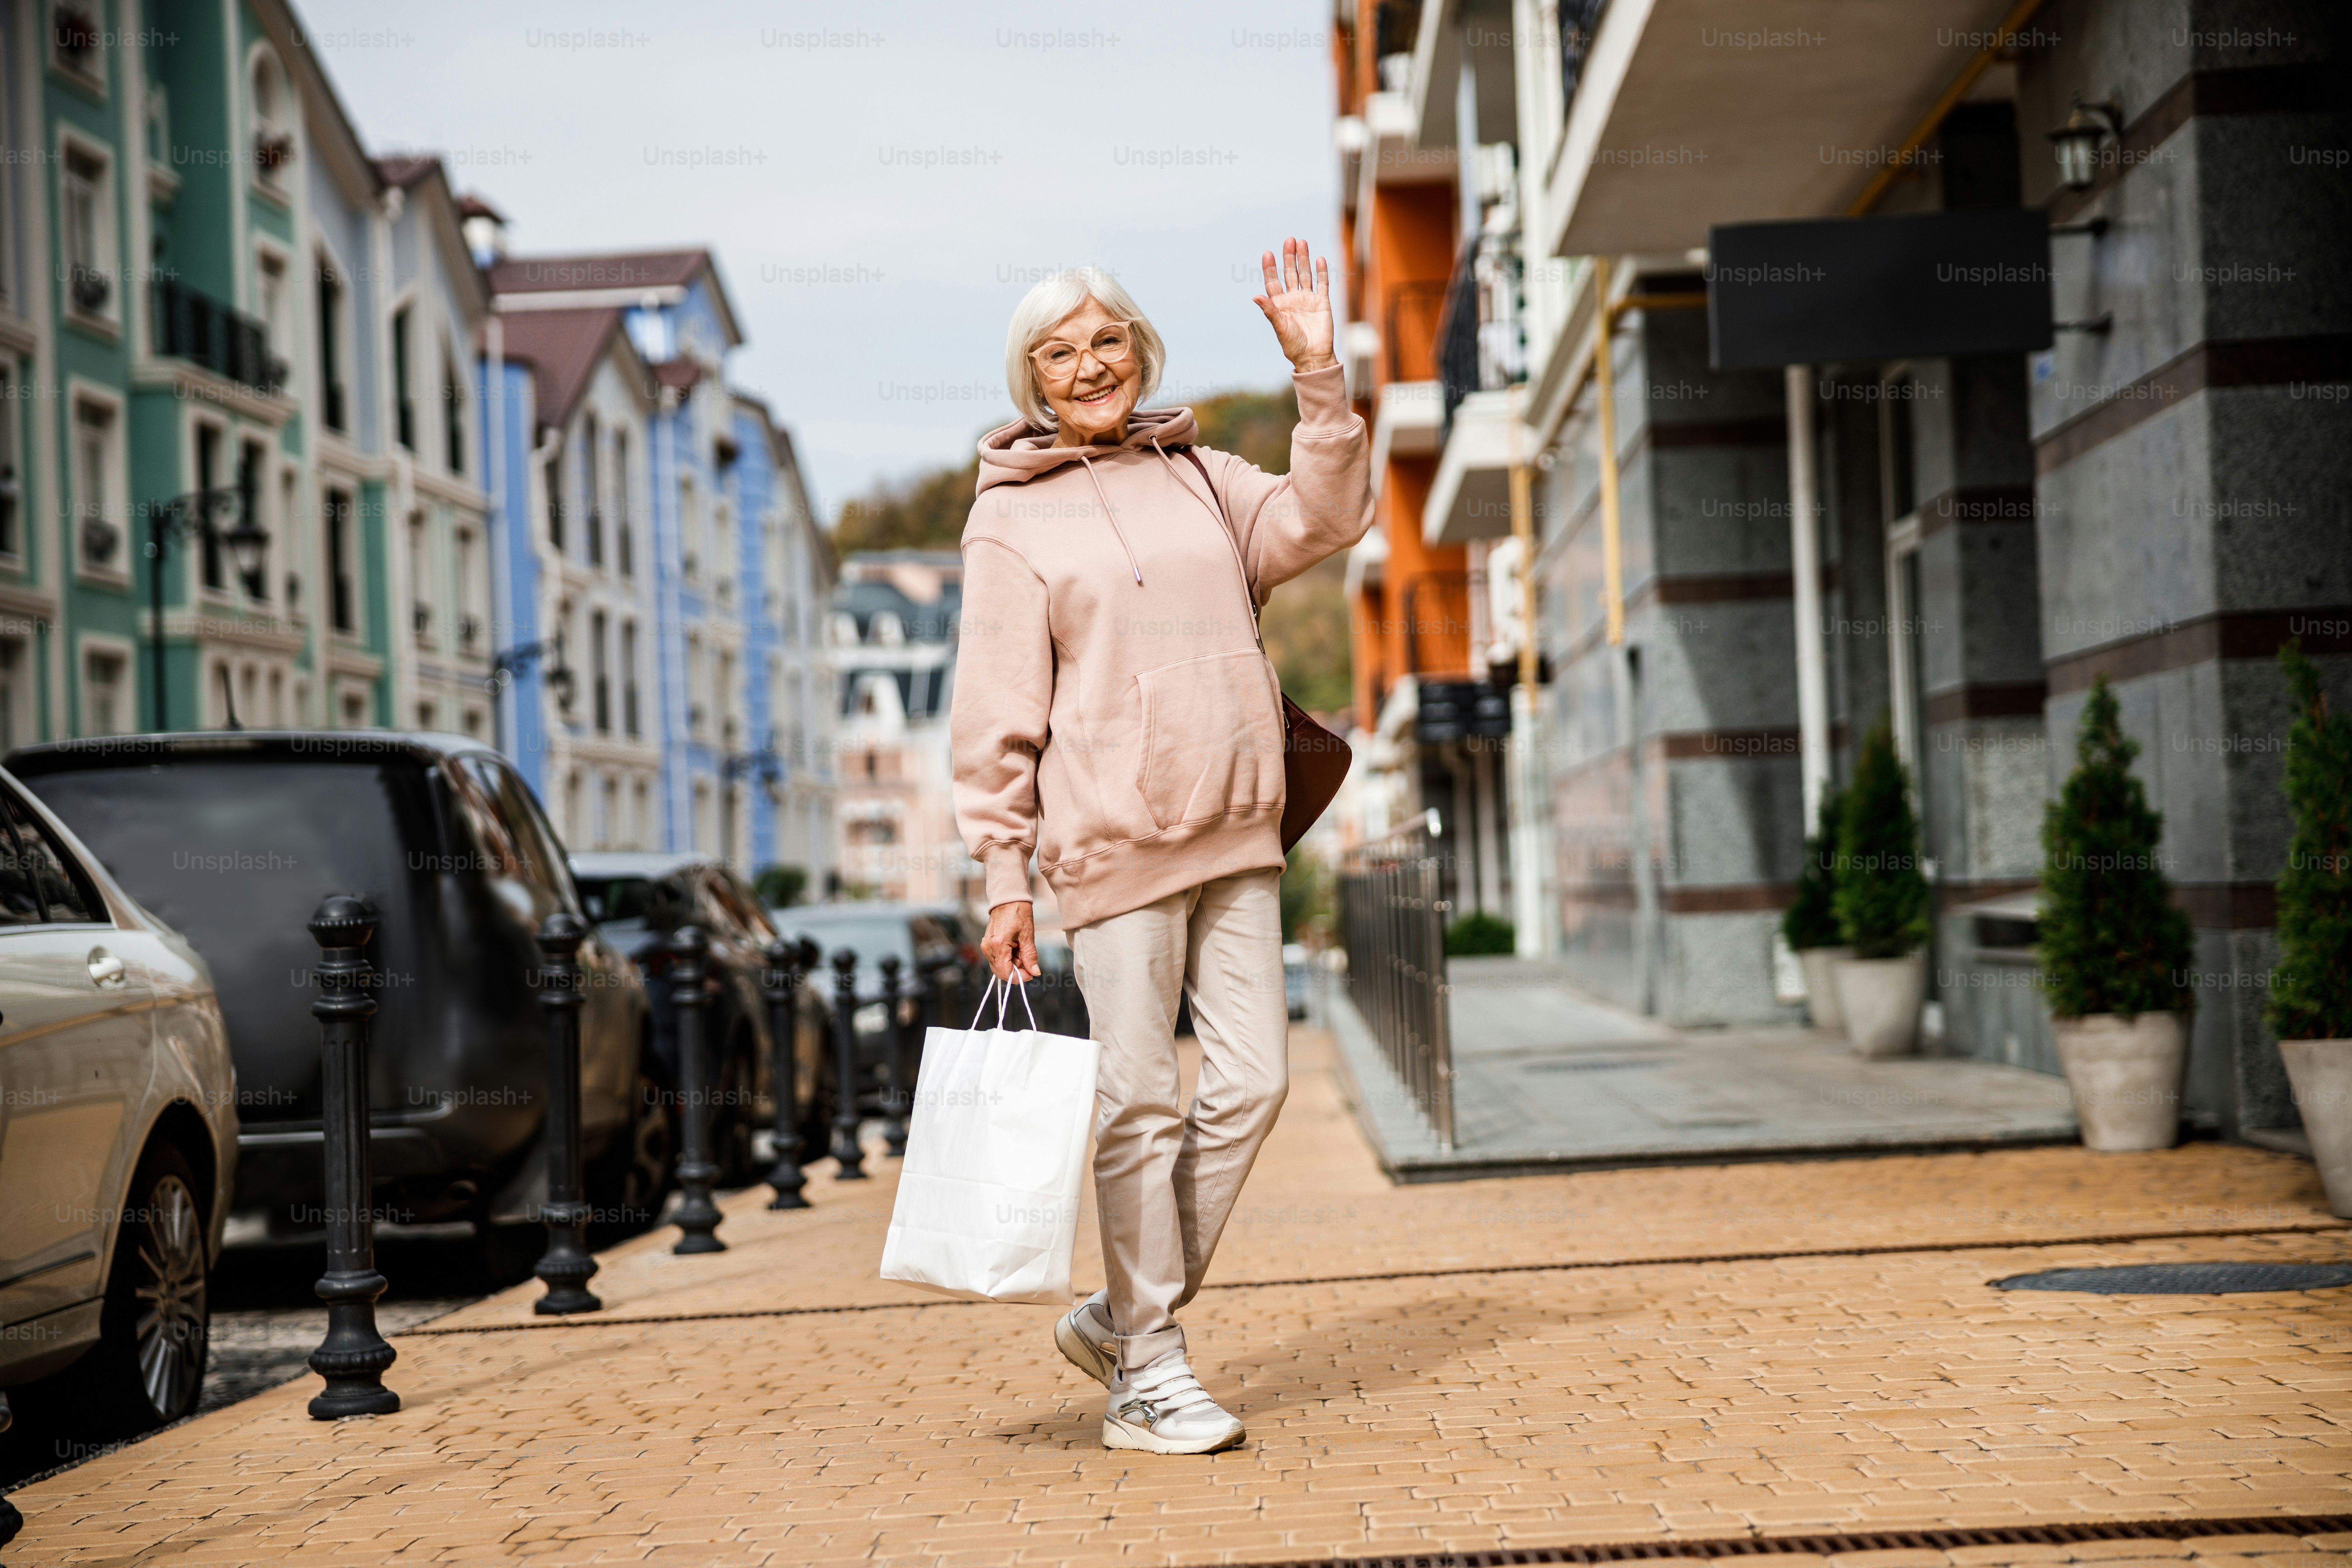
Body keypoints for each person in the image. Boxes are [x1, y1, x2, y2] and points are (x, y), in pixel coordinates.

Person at [951, 241, 1372, 1454]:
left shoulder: (1198, 472)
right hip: (1112, 845)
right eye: (1059, 351)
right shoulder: (1007, 523)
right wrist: (1003, 874)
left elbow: (1324, 519)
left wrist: (1318, 376)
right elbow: (996, 714)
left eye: (1108, 340)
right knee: (1137, 1101)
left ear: (1142, 347)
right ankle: (1148, 1370)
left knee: (1255, 1083)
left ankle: (1127, 1312)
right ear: (1031, 376)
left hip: (1238, 831)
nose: (1090, 366)